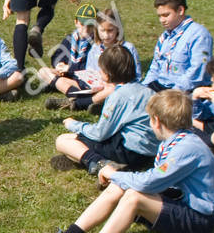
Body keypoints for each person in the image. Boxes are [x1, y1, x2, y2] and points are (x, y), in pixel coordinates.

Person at [26, 90, 214, 233]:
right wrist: (118, 179)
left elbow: (150, 182)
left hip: (198, 219)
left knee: (133, 197)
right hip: (179, 201)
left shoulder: (187, 149)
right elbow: (156, 179)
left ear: (156, 121)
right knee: (120, 186)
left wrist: (112, 173)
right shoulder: (176, 141)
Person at [49, 45, 158, 179]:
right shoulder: (150, 92)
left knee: (63, 140)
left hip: (129, 152)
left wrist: (74, 125)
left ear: (106, 73)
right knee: (76, 147)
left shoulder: (118, 96)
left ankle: (99, 163)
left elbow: (100, 134)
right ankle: (87, 159)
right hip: (149, 153)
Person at [141, 0, 214, 93]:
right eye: (159, 16)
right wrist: (143, 90)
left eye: (166, 15)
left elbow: (196, 72)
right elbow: (155, 68)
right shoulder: (165, 37)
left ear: (180, 10)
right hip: (160, 88)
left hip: (185, 93)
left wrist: (172, 95)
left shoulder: (199, 35)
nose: (162, 20)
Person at [38, 3, 99, 108]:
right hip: (69, 75)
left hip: (85, 80)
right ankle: (74, 94)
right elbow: (56, 55)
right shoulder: (71, 38)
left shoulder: (96, 44)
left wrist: (69, 69)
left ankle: (80, 100)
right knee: (42, 71)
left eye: (90, 26)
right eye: (82, 24)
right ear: (76, 22)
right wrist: (59, 64)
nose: (86, 29)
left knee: (61, 81)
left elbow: (88, 69)